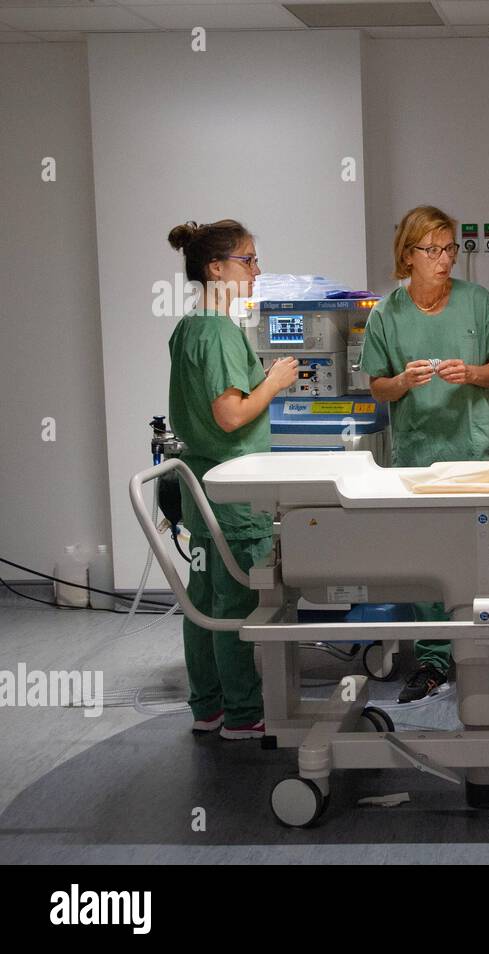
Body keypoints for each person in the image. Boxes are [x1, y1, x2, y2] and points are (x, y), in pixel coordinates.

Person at [361, 205, 489, 702]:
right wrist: (403, 382)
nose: (446, 258)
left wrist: (472, 373)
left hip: (477, 448)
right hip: (420, 452)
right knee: (429, 560)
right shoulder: (388, 313)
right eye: (433, 250)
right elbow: (378, 389)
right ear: (408, 255)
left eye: (450, 248)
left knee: (488, 554)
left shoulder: (477, 302)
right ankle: (433, 660)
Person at [167, 219, 297, 740]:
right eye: (248, 260)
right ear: (215, 268)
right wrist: (275, 381)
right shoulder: (220, 332)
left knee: (203, 603)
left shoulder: (189, 327)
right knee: (237, 606)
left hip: (200, 489)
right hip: (233, 493)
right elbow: (230, 416)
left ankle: (208, 707)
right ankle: (244, 715)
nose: (257, 271)